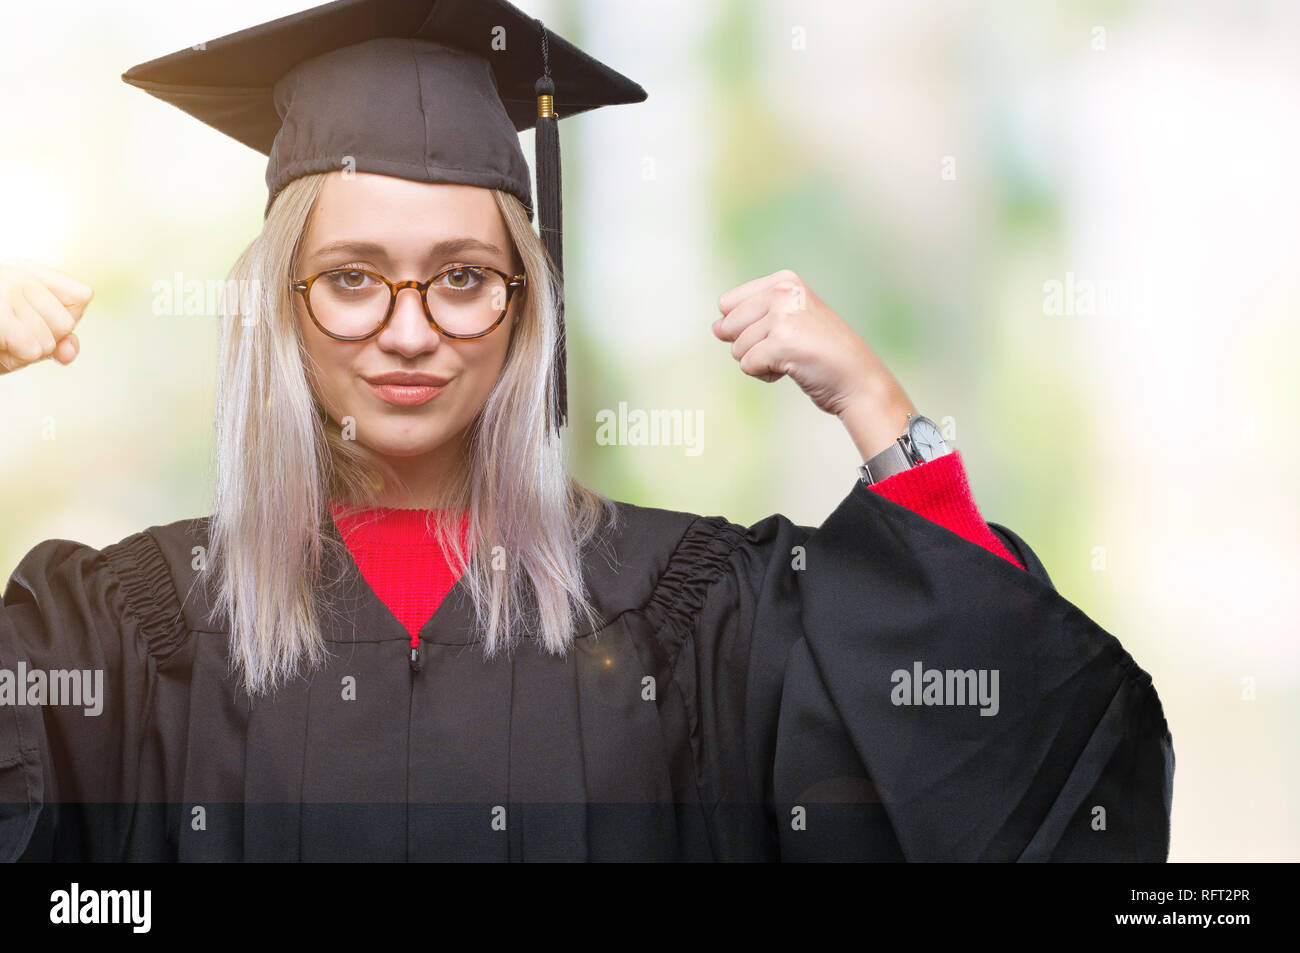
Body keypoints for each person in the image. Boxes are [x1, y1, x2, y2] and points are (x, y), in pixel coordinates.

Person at [0, 0, 1172, 862]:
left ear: (525, 306)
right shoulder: (134, 626)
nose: (408, 330)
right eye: (352, 277)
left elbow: (999, 758)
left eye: (462, 277)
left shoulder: (690, 608)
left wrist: (880, 411)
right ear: (279, 306)